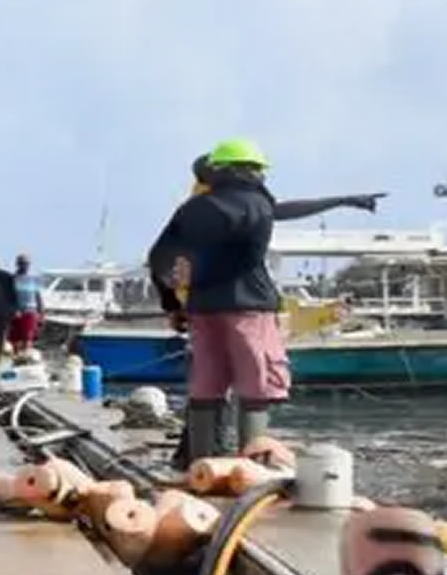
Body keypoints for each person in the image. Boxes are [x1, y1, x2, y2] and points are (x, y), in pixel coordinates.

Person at [149, 147, 385, 464]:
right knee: (256, 387)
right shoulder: (256, 204)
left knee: (206, 384)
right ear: (247, 171)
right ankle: (252, 464)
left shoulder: (192, 208)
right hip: (249, 306)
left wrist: (173, 303)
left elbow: (158, 258)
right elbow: (270, 224)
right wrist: (343, 200)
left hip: (203, 308)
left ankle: (201, 466)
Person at [9, 253, 45, 356]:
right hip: (15, 312)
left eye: (26, 263)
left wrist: (41, 314)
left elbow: (38, 297)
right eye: (21, 263)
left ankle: (26, 357)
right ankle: (15, 357)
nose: (24, 265)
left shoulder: (34, 279)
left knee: (28, 337)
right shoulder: (11, 279)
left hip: (30, 311)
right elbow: (7, 297)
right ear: (17, 264)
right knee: (14, 339)